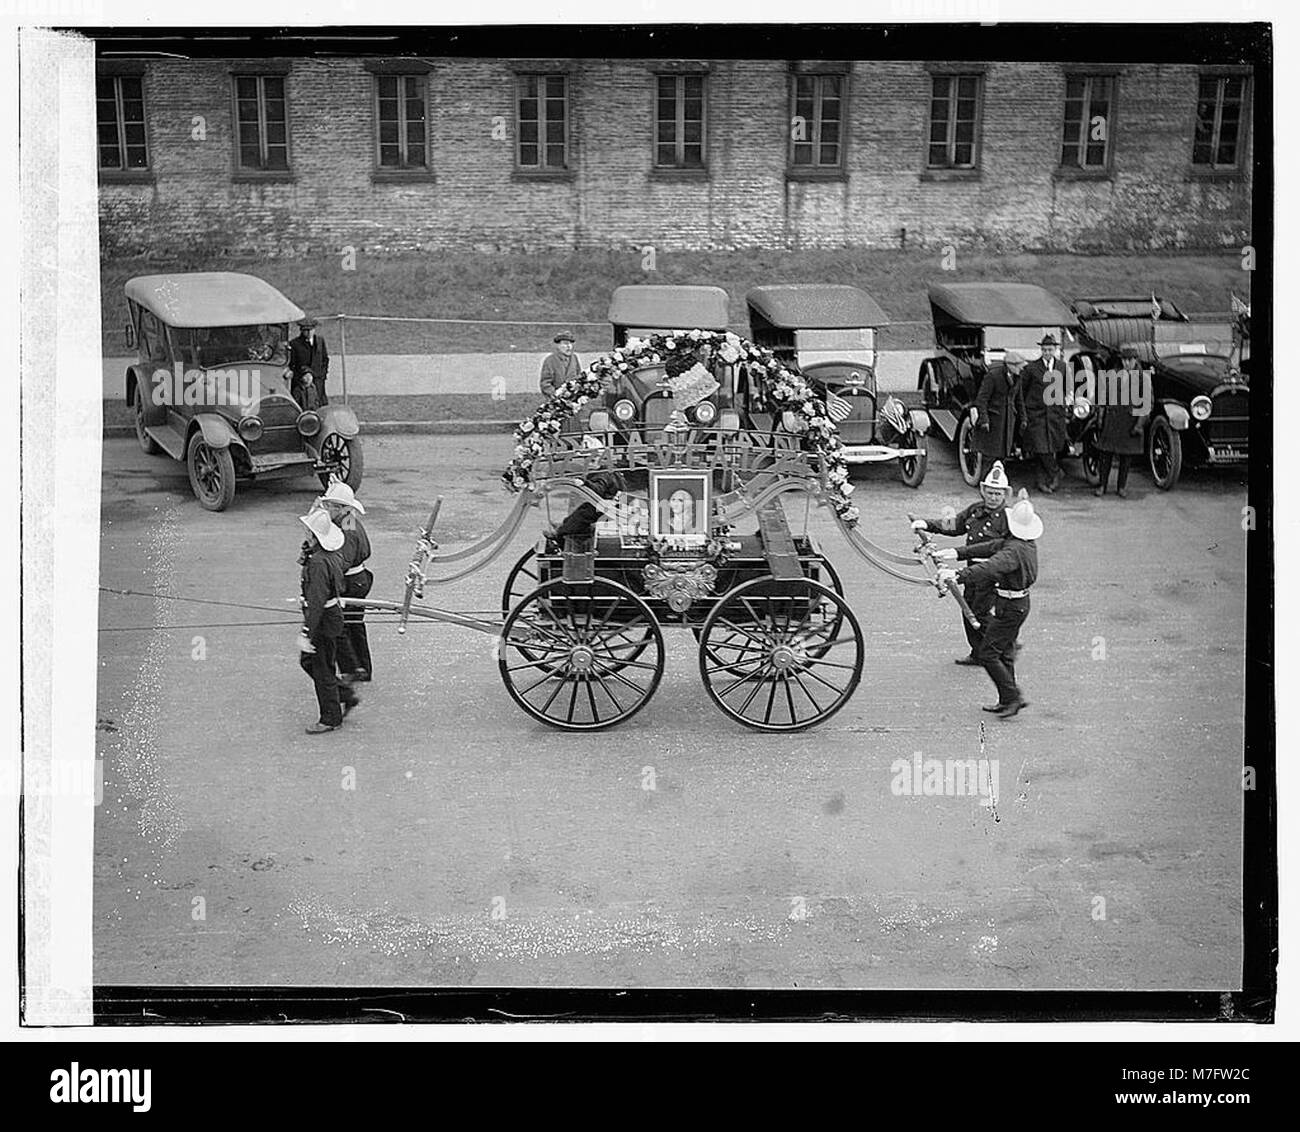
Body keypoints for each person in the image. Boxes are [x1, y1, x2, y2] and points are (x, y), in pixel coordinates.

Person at [937, 490, 1041, 719]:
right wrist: (955, 552)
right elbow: (988, 548)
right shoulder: (1020, 543)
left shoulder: (1014, 551)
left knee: (988, 654)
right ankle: (1007, 700)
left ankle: (1013, 697)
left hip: (1011, 607)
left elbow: (989, 567)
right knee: (1003, 653)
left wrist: (958, 575)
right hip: (1012, 603)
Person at [912, 460, 1012, 665]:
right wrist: (928, 524)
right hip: (970, 570)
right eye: (990, 492)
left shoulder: (1009, 518)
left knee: (981, 614)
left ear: (1004, 495)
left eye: (998, 493)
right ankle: (978, 653)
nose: (993, 497)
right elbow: (953, 524)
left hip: (991, 572)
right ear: (983, 491)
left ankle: (1000, 650)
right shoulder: (975, 510)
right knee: (967, 609)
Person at [298, 508, 359, 734]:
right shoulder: (325, 556)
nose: (305, 533)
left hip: (322, 621)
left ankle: (330, 718)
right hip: (329, 618)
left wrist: (306, 633)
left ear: (315, 535)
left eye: (308, 531)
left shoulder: (318, 563)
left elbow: (316, 602)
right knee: (310, 662)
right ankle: (343, 694)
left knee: (321, 668)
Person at [318, 480, 373, 683]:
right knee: (355, 625)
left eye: (330, 505)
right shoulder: (348, 520)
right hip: (358, 579)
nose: (327, 509)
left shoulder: (347, 529)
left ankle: (353, 669)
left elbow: (344, 559)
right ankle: (362, 667)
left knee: (344, 626)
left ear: (340, 508)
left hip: (351, 581)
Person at [1093, 345, 1148, 499]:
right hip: (1113, 420)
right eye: (1124, 360)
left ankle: (1121, 487)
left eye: (1130, 360)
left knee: (1126, 457)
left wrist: (1139, 425)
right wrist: (1100, 417)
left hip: (1130, 421)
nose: (1127, 363)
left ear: (1135, 361)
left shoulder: (1143, 378)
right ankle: (1102, 485)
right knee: (1105, 455)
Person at [1018, 334, 1071, 494]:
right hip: (1036, 414)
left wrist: (1066, 403)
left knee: (1050, 446)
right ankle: (1055, 472)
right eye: (1044, 350)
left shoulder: (1062, 366)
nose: (1047, 352)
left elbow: (1067, 389)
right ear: (1041, 350)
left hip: (1055, 414)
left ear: (1055, 350)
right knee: (1040, 447)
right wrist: (1026, 411)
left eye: (1050, 349)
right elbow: (1022, 390)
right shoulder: (1031, 368)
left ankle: (1042, 481)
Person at [971, 351, 1026, 471]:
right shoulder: (993, 376)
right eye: (1020, 367)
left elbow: (1019, 400)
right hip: (993, 421)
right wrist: (984, 419)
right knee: (990, 455)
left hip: (1008, 421)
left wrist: (1023, 418)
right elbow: (982, 399)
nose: (1022, 369)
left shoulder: (1018, 378)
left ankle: (997, 481)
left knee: (1003, 454)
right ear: (1011, 366)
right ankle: (985, 481)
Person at [543, 471, 626, 547]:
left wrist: (585, 482)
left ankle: (560, 534)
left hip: (609, 505)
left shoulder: (605, 475)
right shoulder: (610, 473)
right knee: (584, 508)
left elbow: (598, 489)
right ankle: (564, 525)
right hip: (611, 502)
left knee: (582, 515)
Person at [289, 317, 330, 409]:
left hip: (318, 383)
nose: (308, 333)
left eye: (310, 330)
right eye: (305, 330)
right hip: (301, 386)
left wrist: (322, 376)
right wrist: (303, 376)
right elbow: (292, 365)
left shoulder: (320, 341)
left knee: (320, 407)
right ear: (301, 330)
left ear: (314, 329)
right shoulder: (294, 344)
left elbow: (325, 360)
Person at [539, 331, 582, 399]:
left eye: (570, 344)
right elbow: (545, 383)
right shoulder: (550, 360)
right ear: (558, 346)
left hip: (573, 397)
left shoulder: (574, 358)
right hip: (556, 398)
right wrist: (555, 393)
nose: (569, 346)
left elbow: (579, 376)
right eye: (565, 344)